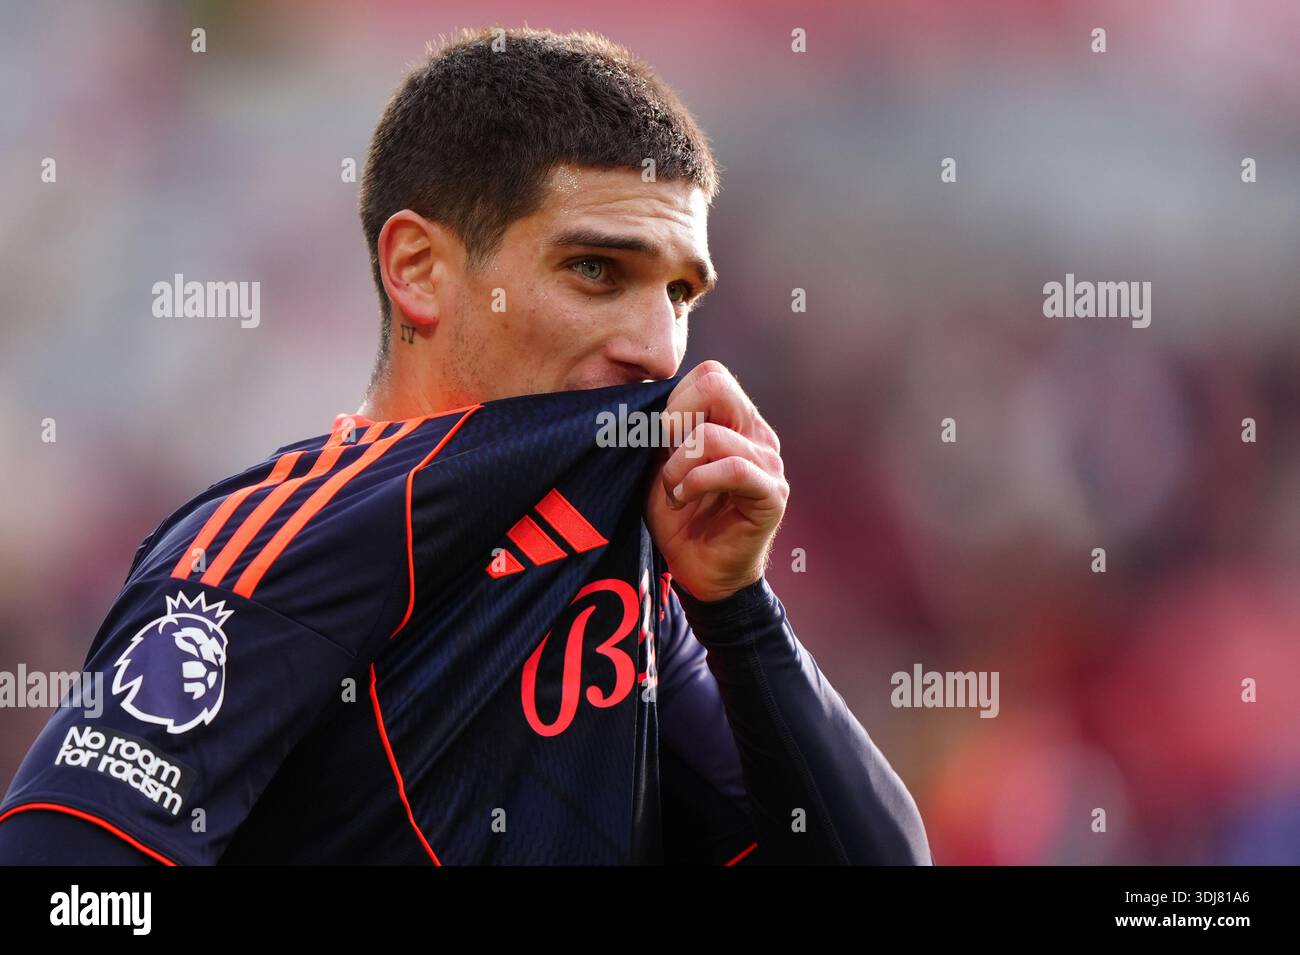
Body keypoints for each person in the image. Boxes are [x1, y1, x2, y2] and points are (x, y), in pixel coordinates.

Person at [0, 26, 930, 865]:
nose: (656, 346)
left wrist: (737, 603)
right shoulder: (265, 558)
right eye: (597, 270)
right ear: (419, 272)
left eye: (681, 295)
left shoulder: (626, 572)